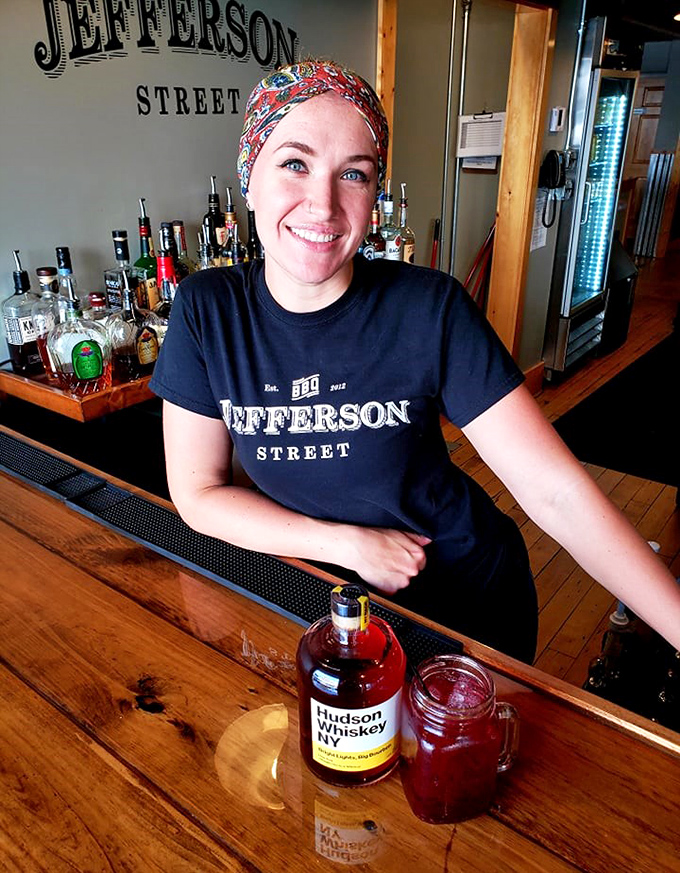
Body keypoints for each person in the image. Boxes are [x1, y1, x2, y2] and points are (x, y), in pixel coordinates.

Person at [149, 59, 680, 664]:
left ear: (374, 194)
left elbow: (555, 492)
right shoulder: (206, 311)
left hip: (464, 601)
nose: (322, 205)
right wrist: (349, 545)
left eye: (354, 174)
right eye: (293, 163)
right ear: (249, 177)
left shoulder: (428, 308)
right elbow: (197, 494)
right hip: (323, 605)